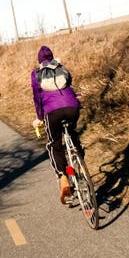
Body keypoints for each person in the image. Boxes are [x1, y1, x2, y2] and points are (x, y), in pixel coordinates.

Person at [31, 45, 83, 204]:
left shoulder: (36, 74)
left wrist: (40, 117)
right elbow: (70, 86)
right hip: (72, 108)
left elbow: (37, 98)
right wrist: (75, 100)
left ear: (39, 60)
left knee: (54, 145)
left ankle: (63, 176)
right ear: (52, 57)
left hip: (52, 113)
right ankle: (79, 161)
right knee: (73, 135)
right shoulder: (61, 68)